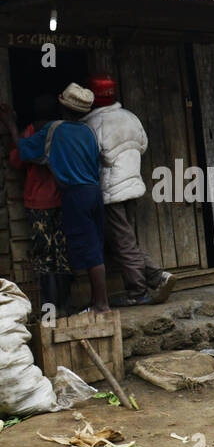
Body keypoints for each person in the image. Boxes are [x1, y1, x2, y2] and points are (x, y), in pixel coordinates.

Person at [4, 84, 109, 313]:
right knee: (87, 248)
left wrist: (11, 125)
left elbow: (21, 153)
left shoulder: (53, 130)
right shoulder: (88, 131)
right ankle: (83, 304)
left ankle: (99, 305)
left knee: (79, 251)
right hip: (94, 192)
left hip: (74, 195)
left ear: (63, 108)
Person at [82, 75, 173, 306]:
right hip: (133, 185)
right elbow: (142, 146)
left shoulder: (92, 125)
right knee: (125, 239)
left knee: (122, 243)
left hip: (110, 191)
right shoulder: (130, 117)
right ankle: (157, 276)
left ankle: (138, 291)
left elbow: (91, 157)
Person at [4, 94, 71, 315]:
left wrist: (13, 128)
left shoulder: (31, 132)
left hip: (38, 203)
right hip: (62, 199)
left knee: (45, 255)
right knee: (62, 253)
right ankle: (64, 306)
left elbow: (16, 160)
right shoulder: (62, 130)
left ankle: (49, 307)